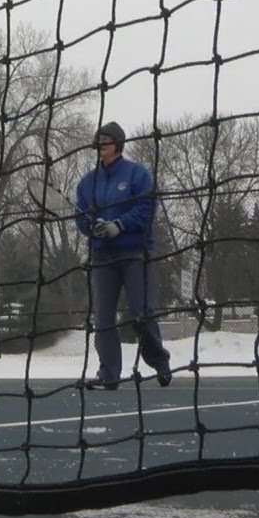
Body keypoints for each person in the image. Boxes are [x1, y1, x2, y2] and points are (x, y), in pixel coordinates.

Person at [74, 122, 172, 389]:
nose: (101, 145)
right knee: (103, 317)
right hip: (102, 256)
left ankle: (159, 362)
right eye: (98, 141)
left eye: (105, 140)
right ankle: (109, 373)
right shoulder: (87, 182)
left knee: (141, 312)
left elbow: (147, 208)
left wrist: (120, 225)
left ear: (117, 144)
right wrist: (90, 227)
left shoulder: (136, 174)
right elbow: (80, 216)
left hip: (135, 254)